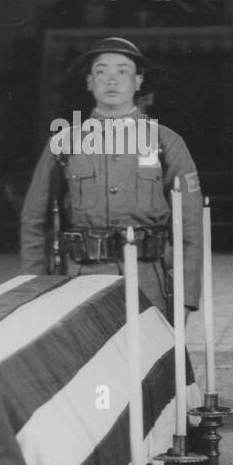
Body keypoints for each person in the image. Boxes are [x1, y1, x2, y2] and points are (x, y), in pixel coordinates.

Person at [20, 37, 202, 320]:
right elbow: (33, 220)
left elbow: (190, 226)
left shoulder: (166, 142)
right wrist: (35, 289)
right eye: (102, 71)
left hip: (150, 282)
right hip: (79, 282)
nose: (112, 80)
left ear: (138, 81)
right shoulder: (64, 143)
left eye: (123, 71)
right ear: (89, 82)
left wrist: (186, 297)